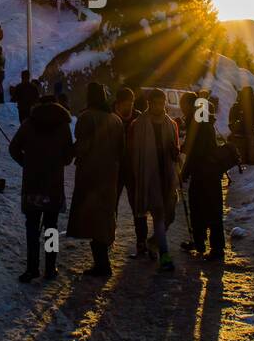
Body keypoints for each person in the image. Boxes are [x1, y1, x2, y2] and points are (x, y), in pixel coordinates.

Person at [9, 94, 74, 282]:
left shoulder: (28, 124)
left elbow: (13, 148)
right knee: (51, 228)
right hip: (53, 185)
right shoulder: (63, 126)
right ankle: (50, 267)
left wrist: (26, 163)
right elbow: (68, 157)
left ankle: (32, 268)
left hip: (33, 184)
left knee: (32, 227)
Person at [67, 83, 124, 277]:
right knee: (104, 215)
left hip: (91, 175)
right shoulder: (116, 120)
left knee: (92, 217)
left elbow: (82, 147)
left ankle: (102, 265)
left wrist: (69, 153)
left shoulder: (87, 118)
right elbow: (121, 150)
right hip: (110, 175)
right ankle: (102, 261)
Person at [129, 87, 181, 272]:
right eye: (156, 103)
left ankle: (153, 242)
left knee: (170, 215)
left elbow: (175, 147)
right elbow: (133, 152)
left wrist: (176, 153)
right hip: (149, 175)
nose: (159, 106)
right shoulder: (139, 124)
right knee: (159, 214)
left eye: (162, 103)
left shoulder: (171, 124)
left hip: (166, 175)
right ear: (149, 103)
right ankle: (165, 255)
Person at [180, 97, 227, 262]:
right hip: (211, 173)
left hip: (203, 173)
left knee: (201, 209)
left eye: (183, 104)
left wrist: (184, 172)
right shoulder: (204, 121)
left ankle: (213, 248)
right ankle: (204, 244)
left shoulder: (197, 122)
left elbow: (196, 151)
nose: (181, 108)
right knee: (209, 209)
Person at [113, 87, 149, 258]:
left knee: (138, 207)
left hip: (134, 171)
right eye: (126, 103)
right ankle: (108, 238)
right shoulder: (110, 118)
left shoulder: (140, 118)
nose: (129, 106)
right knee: (111, 206)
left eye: (132, 103)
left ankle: (141, 243)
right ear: (118, 103)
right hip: (115, 169)